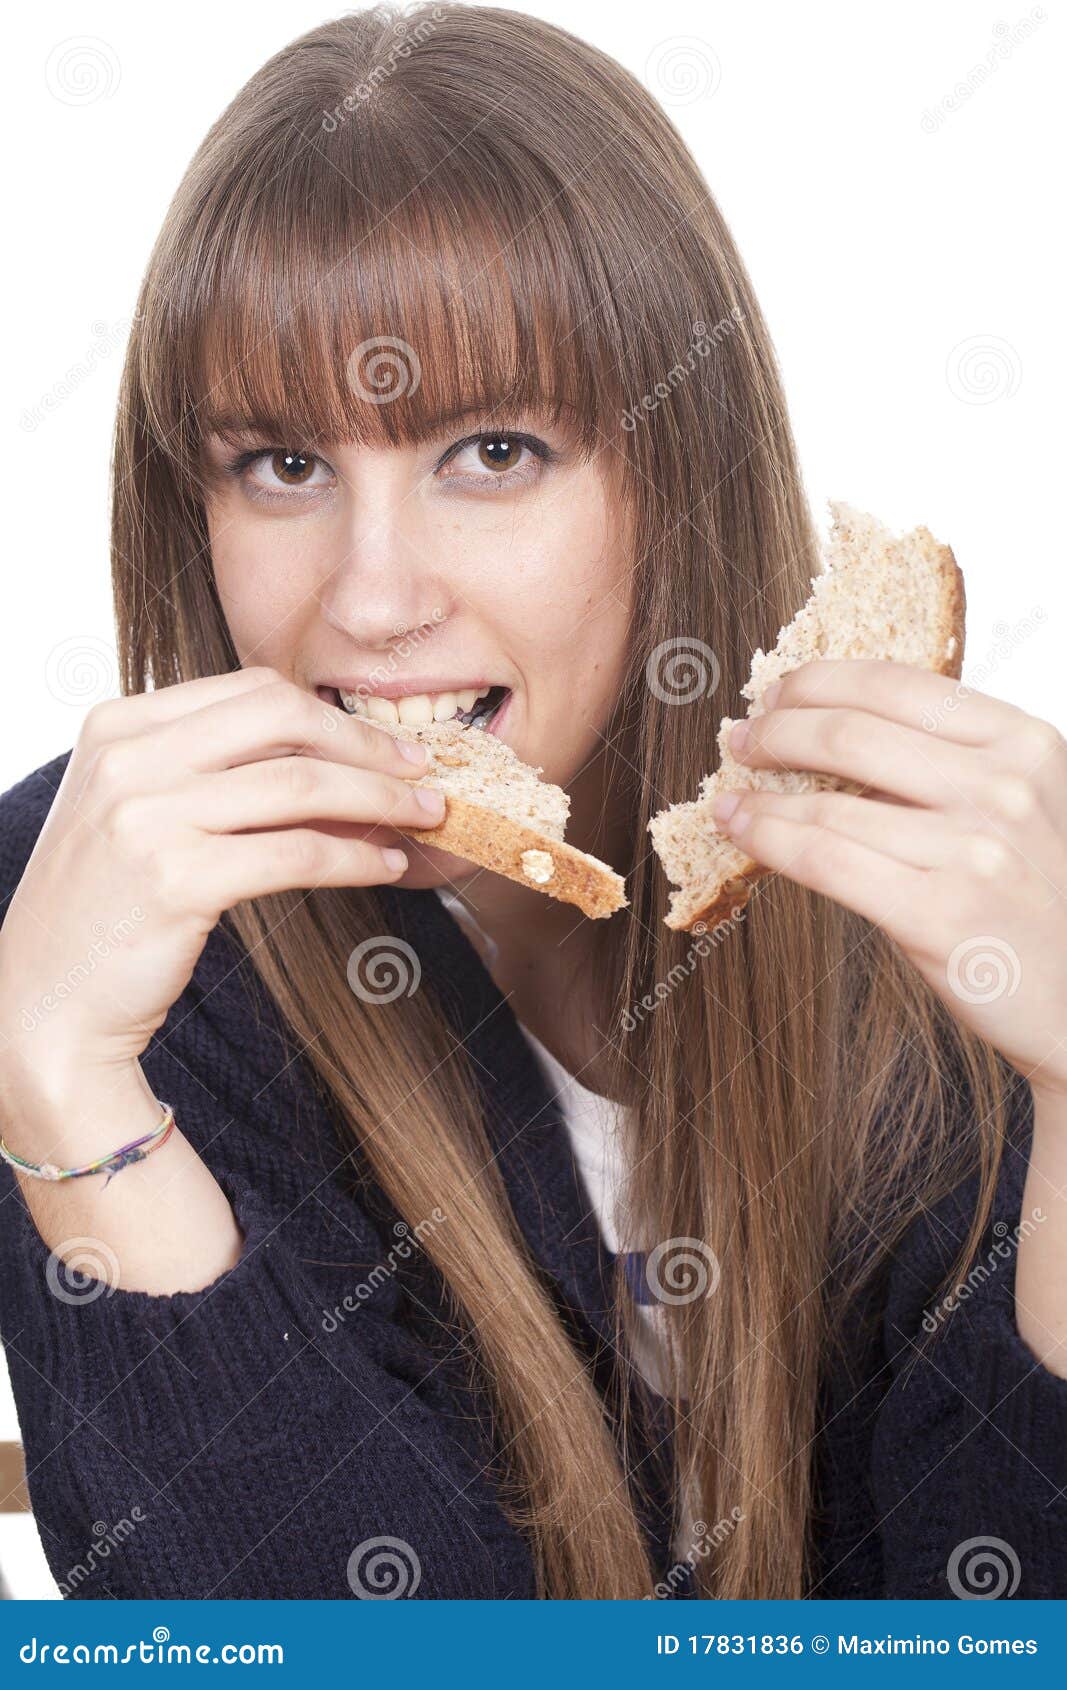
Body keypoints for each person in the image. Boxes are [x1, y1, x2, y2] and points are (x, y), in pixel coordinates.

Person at [1, 4, 1065, 1601]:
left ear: (679, 471)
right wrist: (62, 1085)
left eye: (491, 449)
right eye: (281, 467)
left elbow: (1000, 1613)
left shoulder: (960, 890)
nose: (368, 601)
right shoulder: (86, 921)